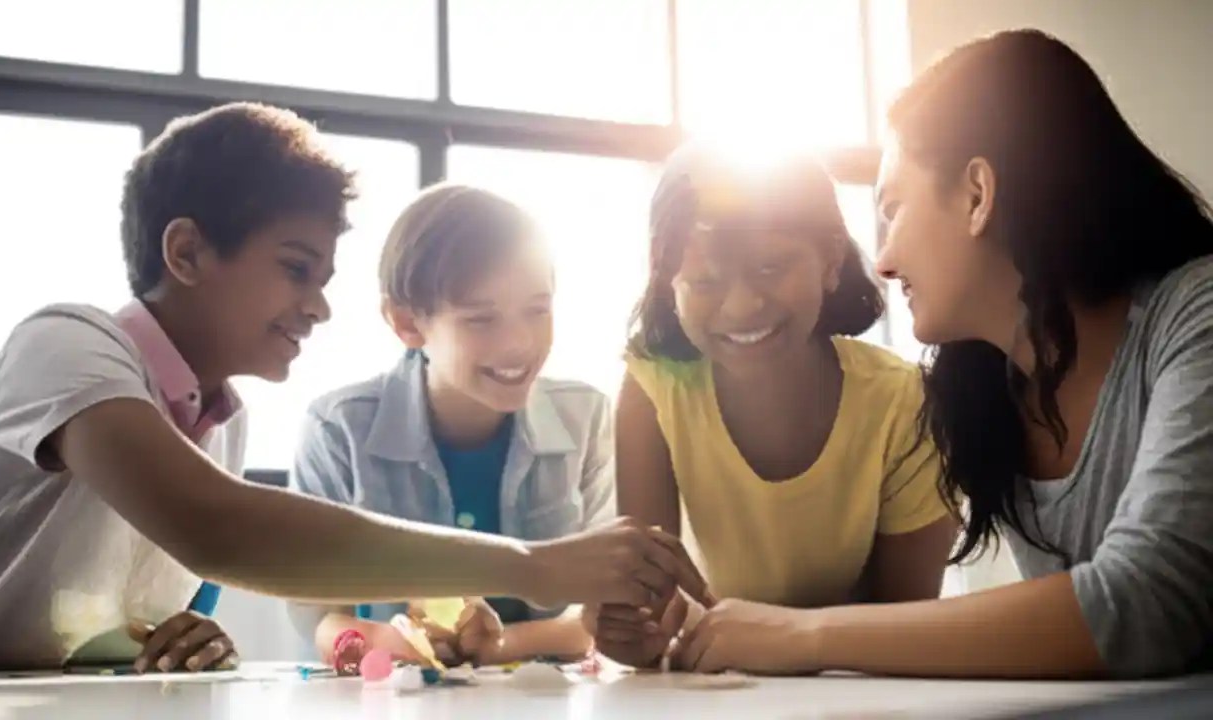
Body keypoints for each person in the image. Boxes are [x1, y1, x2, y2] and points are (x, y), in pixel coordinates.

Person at [0, 103, 709, 675]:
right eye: (296, 269)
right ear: (187, 251)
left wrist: (186, 641)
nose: (319, 306)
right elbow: (219, 529)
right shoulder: (64, 343)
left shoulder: (218, 422)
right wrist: (531, 564)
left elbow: (129, 621)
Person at [676, 29, 1213, 679]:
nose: (883, 260)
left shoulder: (1196, 310)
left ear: (978, 196)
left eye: (894, 211)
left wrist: (803, 634)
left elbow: (1146, 604)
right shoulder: (987, 397)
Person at [588, 146, 954, 670]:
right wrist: (631, 633)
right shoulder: (654, 388)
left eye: (770, 266)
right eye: (705, 282)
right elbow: (650, 603)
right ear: (668, 283)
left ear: (830, 262)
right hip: (724, 687)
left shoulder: (902, 401)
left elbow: (907, 622)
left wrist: (793, 640)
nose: (740, 306)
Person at [289, 184, 612, 667]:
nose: (519, 344)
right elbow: (318, 619)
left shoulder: (586, 416)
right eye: (481, 320)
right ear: (406, 323)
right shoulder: (339, 429)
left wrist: (500, 646)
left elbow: (602, 614)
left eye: (537, 311)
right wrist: (403, 645)